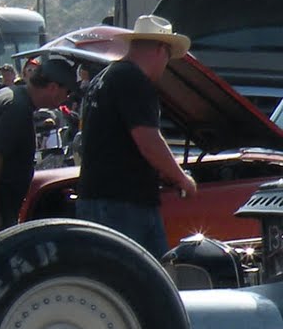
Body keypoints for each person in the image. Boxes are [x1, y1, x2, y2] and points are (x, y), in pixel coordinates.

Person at [74, 14, 198, 256]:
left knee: (109, 279)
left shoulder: (104, 78)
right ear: (161, 50)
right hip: (125, 205)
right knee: (144, 282)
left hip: (95, 197)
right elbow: (148, 140)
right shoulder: (134, 80)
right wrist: (182, 179)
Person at [0, 57, 78, 243]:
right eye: (67, 91)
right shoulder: (16, 108)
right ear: (53, 87)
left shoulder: (9, 95)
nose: (67, 98)